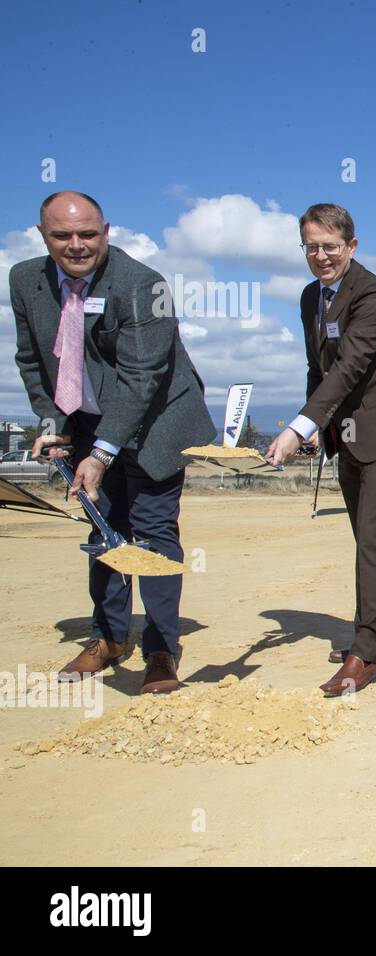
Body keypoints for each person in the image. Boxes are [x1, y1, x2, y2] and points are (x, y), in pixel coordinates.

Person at [11, 191, 215, 694]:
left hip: (158, 422)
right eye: (62, 236)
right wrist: (51, 423)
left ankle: (162, 648)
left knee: (152, 532)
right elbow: (32, 359)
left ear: (106, 231)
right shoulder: (25, 280)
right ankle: (107, 637)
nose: (76, 245)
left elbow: (141, 378)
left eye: (88, 234)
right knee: (105, 530)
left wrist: (101, 454)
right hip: (86, 418)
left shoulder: (144, 285)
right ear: (44, 237)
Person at [266, 203, 376, 697]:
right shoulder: (309, 298)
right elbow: (318, 370)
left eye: (331, 247)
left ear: (352, 247)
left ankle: (366, 652)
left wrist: (299, 427)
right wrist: (318, 423)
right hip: (348, 435)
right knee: (372, 539)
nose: (321, 256)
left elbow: (350, 368)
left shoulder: (375, 296)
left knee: (371, 538)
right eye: (312, 247)